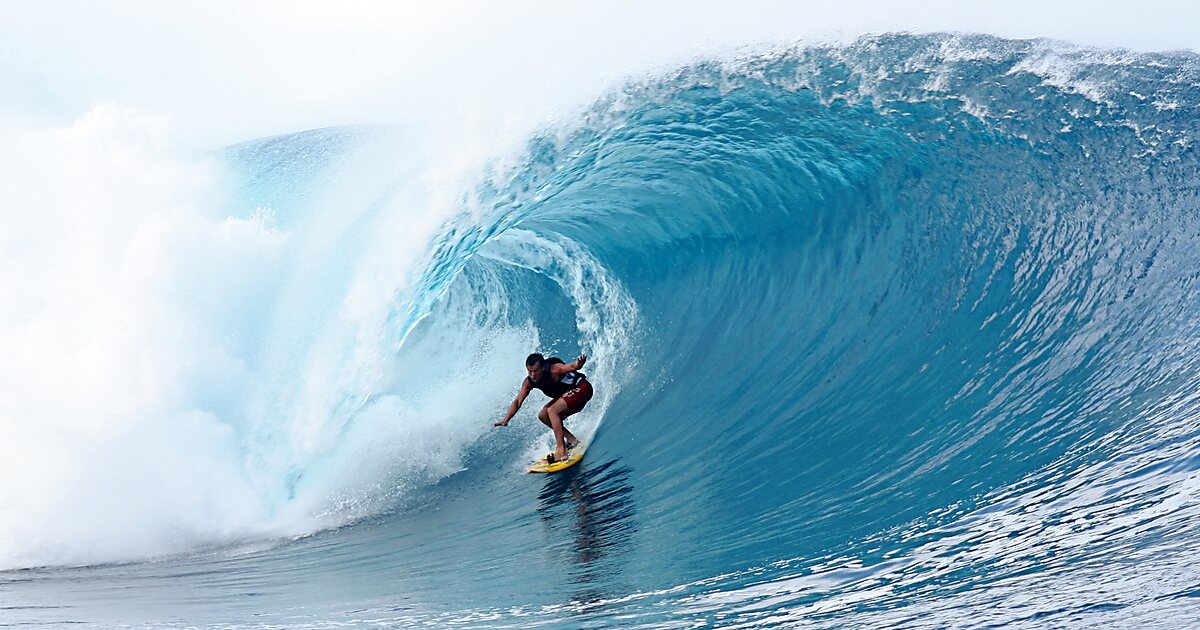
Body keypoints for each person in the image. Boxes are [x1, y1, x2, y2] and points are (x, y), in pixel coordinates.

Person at [494, 352, 593, 462]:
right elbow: (518, 401)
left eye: (535, 371)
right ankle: (573, 442)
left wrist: (579, 364)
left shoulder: (554, 369)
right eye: (529, 371)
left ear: (542, 368)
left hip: (582, 389)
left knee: (552, 410)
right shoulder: (529, 382)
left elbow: (572, 366)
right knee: (543, 415)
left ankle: (561, 449)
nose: (532, 375)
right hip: (569, 397)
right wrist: (506, 419)